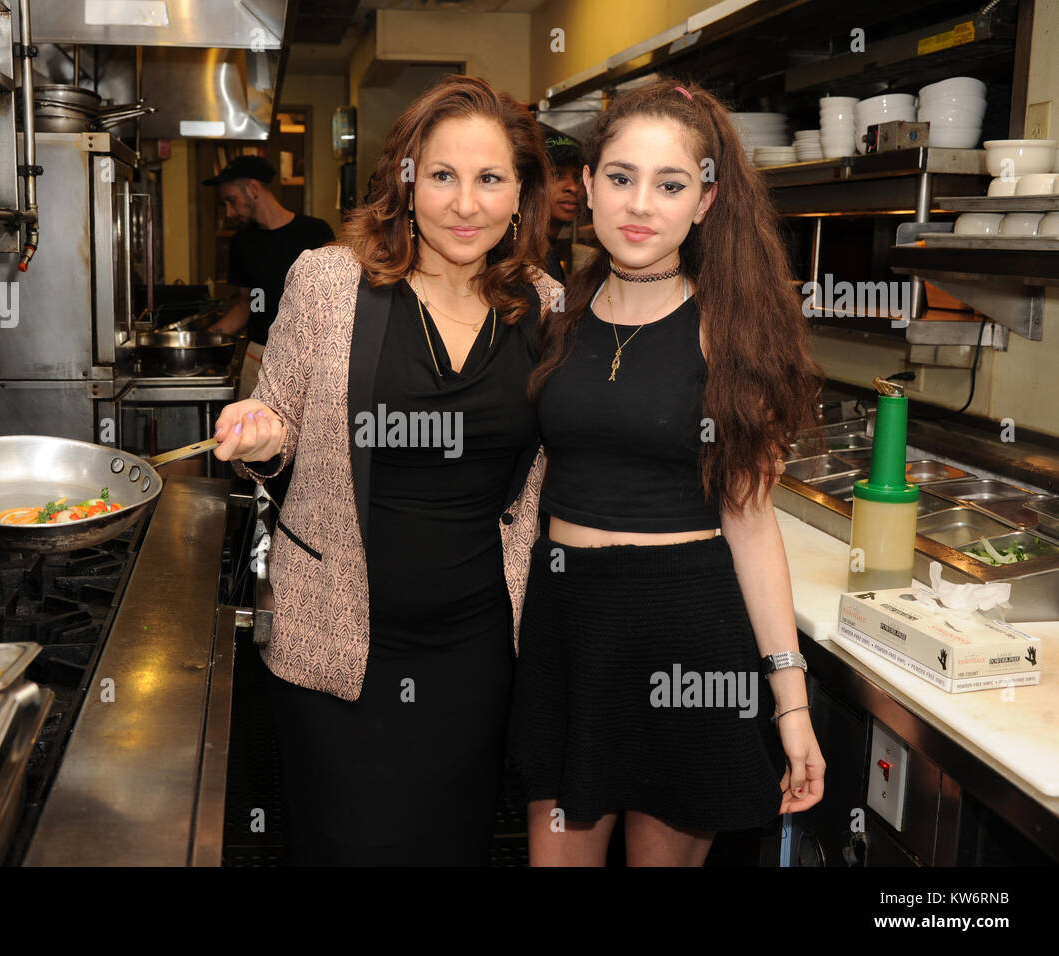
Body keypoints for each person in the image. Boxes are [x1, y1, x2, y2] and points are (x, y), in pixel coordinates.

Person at [211, 75, 557, 865]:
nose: (465, 204)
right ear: (405, 181)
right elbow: (279, 416)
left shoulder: (546, 307)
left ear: (520, 194)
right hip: (338, 640)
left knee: (453, 844)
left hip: (477, 649)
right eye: (442, 176)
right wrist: (261, 436)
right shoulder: (328, 281)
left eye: (490, 178)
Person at [507, 79, 827, 866]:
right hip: (567, 628)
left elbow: (750, 522)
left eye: (671, 184)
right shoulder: (554, 319)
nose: (641, 204)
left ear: (706, 201)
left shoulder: (731, 334)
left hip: (686, 631)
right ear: (586, 186)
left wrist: (790, 702)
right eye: (621, 177)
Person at [203, 155, 334, 398]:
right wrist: (207, 338)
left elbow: (332, 302)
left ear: (253, 189)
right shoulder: (242, 242)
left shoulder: (314, 232)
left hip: (307, 358)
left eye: (231, 200)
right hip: (258, 354)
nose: (229, 212)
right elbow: (246, 304)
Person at [539, 125, 587, 284]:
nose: (573, 187)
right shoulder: (523, 255)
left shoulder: (548, 252)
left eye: (578, 177)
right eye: (557, 175)